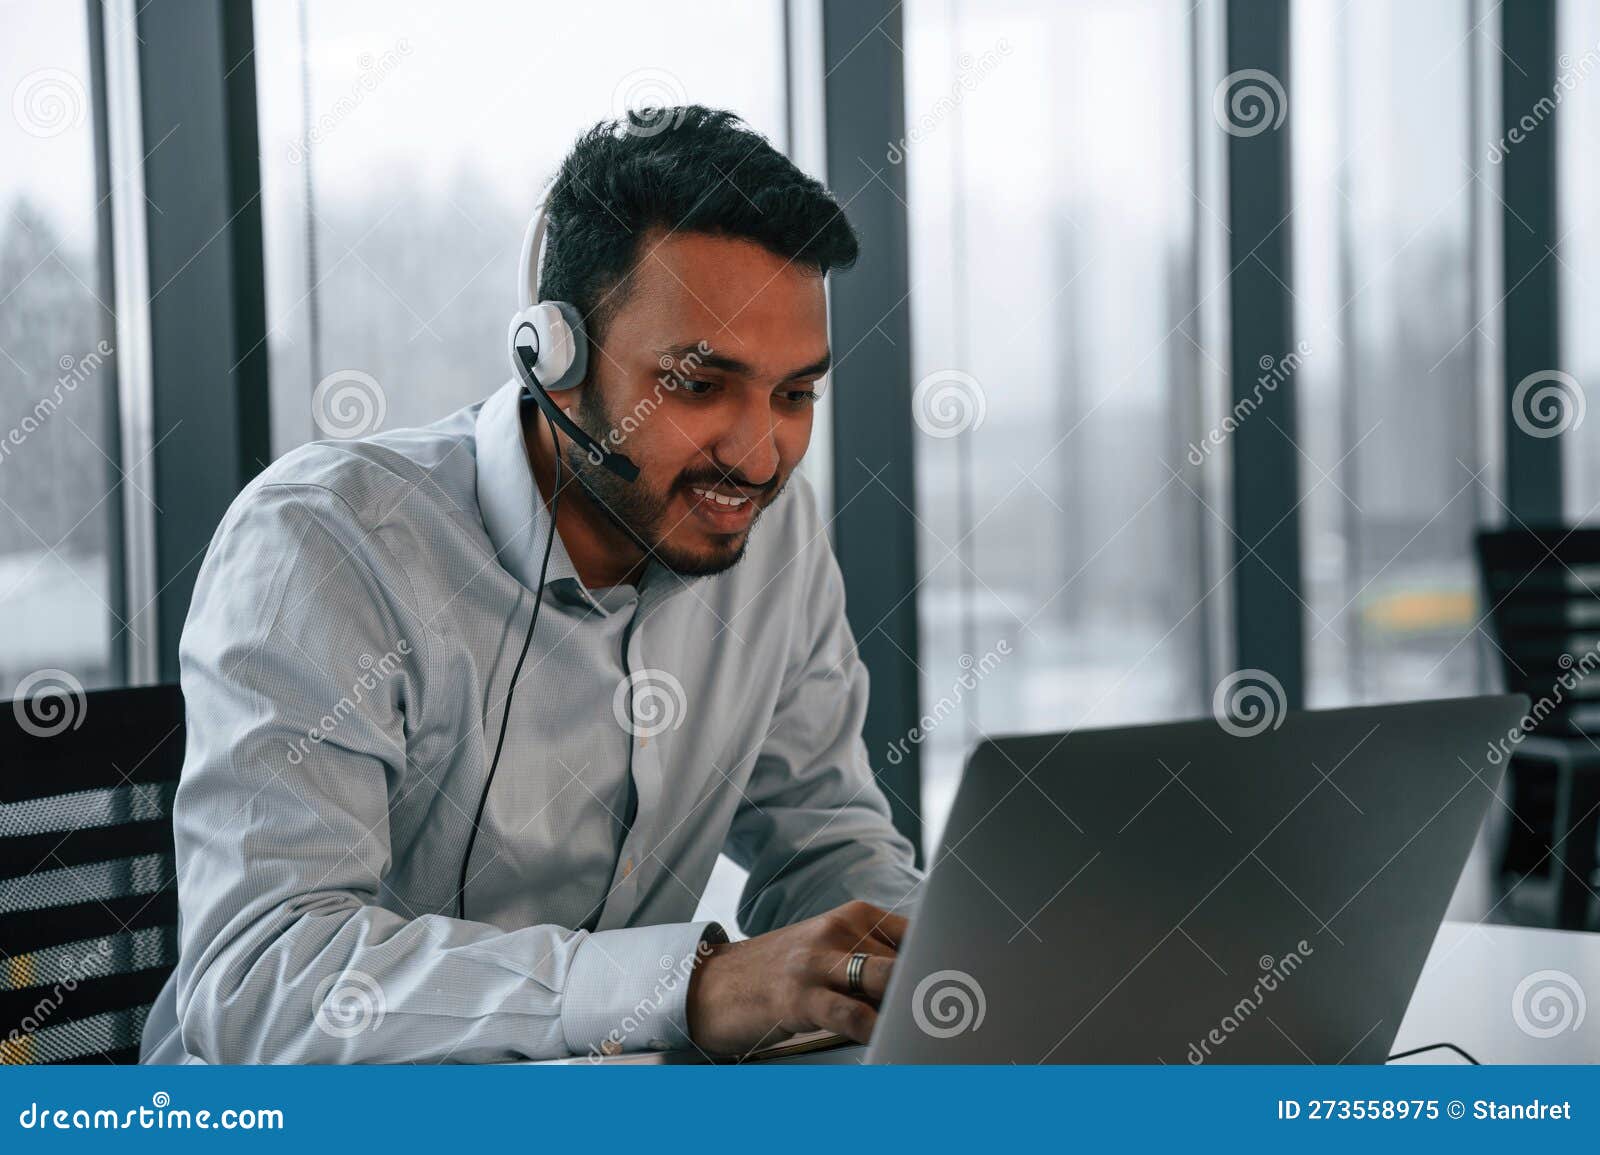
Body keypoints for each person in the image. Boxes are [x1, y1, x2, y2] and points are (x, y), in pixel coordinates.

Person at [140, 106, 922, 1064]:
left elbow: (824, 843)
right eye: (696, 383)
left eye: (794, 395)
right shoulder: (329, 544)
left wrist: (940, 965)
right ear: (555, 357)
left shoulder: (770, 535)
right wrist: (690, 985)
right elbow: (263, 984)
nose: (759, 458)